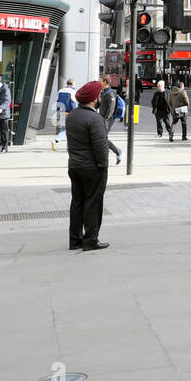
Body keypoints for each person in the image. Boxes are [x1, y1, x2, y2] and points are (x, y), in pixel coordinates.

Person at [66, 80, 110, 252]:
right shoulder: (95, 118)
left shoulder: (73, 116)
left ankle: (75, 239)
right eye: (98, 95)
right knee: (93, 202)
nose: (100, 98)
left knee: (77, 202)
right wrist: (103, 165)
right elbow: (100, 145)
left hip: (75, 166)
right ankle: (91, 239)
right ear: (93, 99)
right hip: (92, 168)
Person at [97, 76, 123, 165]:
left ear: (105, 82)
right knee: (102, 139)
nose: (99, 82)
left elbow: (111, 109)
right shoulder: (103, 93)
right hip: (102, 118)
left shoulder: (110, 93)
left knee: (102, 139)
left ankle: (117, 152)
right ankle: (112, 154)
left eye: (100, 81)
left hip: (107, 119)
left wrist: (106, 119)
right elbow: (99, 105)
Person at [52, 78, 77, 151]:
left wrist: (57, 112)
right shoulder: (72, 91)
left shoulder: (60, 90)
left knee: (64, 130)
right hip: (69, 113)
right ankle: (69, 147)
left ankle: (56, 140)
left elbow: (58, 102)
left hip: (62, 112)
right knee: (71, 131)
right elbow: (73, 103)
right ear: (72, 84)